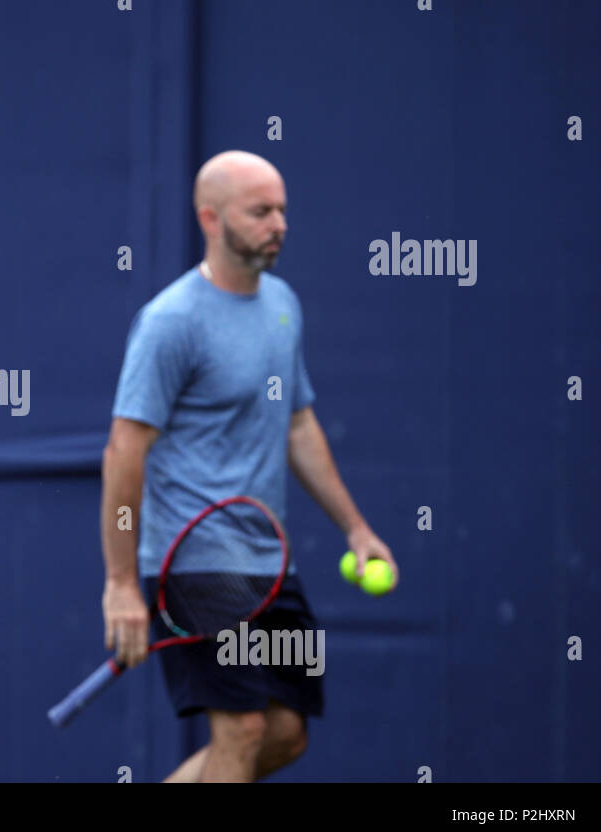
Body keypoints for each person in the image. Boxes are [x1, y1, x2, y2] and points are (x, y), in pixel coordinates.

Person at [100, 150, 398, 782]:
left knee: (285, 733)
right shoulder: (169, 322)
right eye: (261, 211)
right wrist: (122, 583)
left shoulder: (282, 304)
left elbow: (298, 423)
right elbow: (125, 452)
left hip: (269, 564)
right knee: (242, 728)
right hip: (194, 564)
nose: (279, 223)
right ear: (211, 218)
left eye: (284, 209)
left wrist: (356, 528)